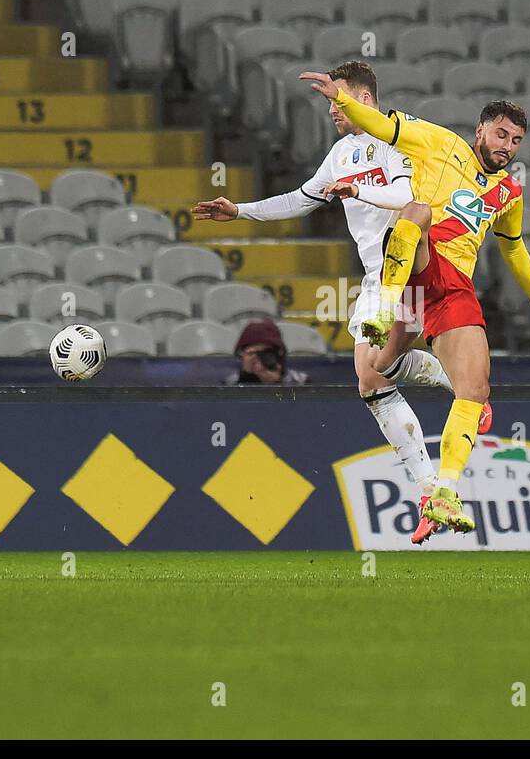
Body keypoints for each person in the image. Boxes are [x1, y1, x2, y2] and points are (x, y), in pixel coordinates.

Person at [194, 60, 490, 544]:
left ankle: (445, 433)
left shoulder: (403, 141)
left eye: (337, 101)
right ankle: (433, 481)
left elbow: (407, 197)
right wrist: (241, 210)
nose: (332, 111)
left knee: (377, 368)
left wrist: (359, 189)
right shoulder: (340, 153)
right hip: (378, 278)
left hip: (415, 266)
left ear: (363, 99)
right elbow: (301, 198)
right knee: (372, 379)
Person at [299, 70, 530, 538]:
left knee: (461, 389)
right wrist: (346, 100)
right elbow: (383, 127)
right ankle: (383, 308)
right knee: (418, 212)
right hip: (418, 261)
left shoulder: (509, 193)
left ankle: (442, 494)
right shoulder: (439, 142)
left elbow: (515, 251)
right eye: (501, 134)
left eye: (517, 140)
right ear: (480, 130)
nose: (507, 146)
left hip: (451, 287)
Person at [225, 319, 308, 385]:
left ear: (279, 353)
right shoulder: (230, 383)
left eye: (265, 353)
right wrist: (244, 380)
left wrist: (278, 384)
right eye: (251, 353)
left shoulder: (300, 382)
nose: (258, 359)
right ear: (242, 356)